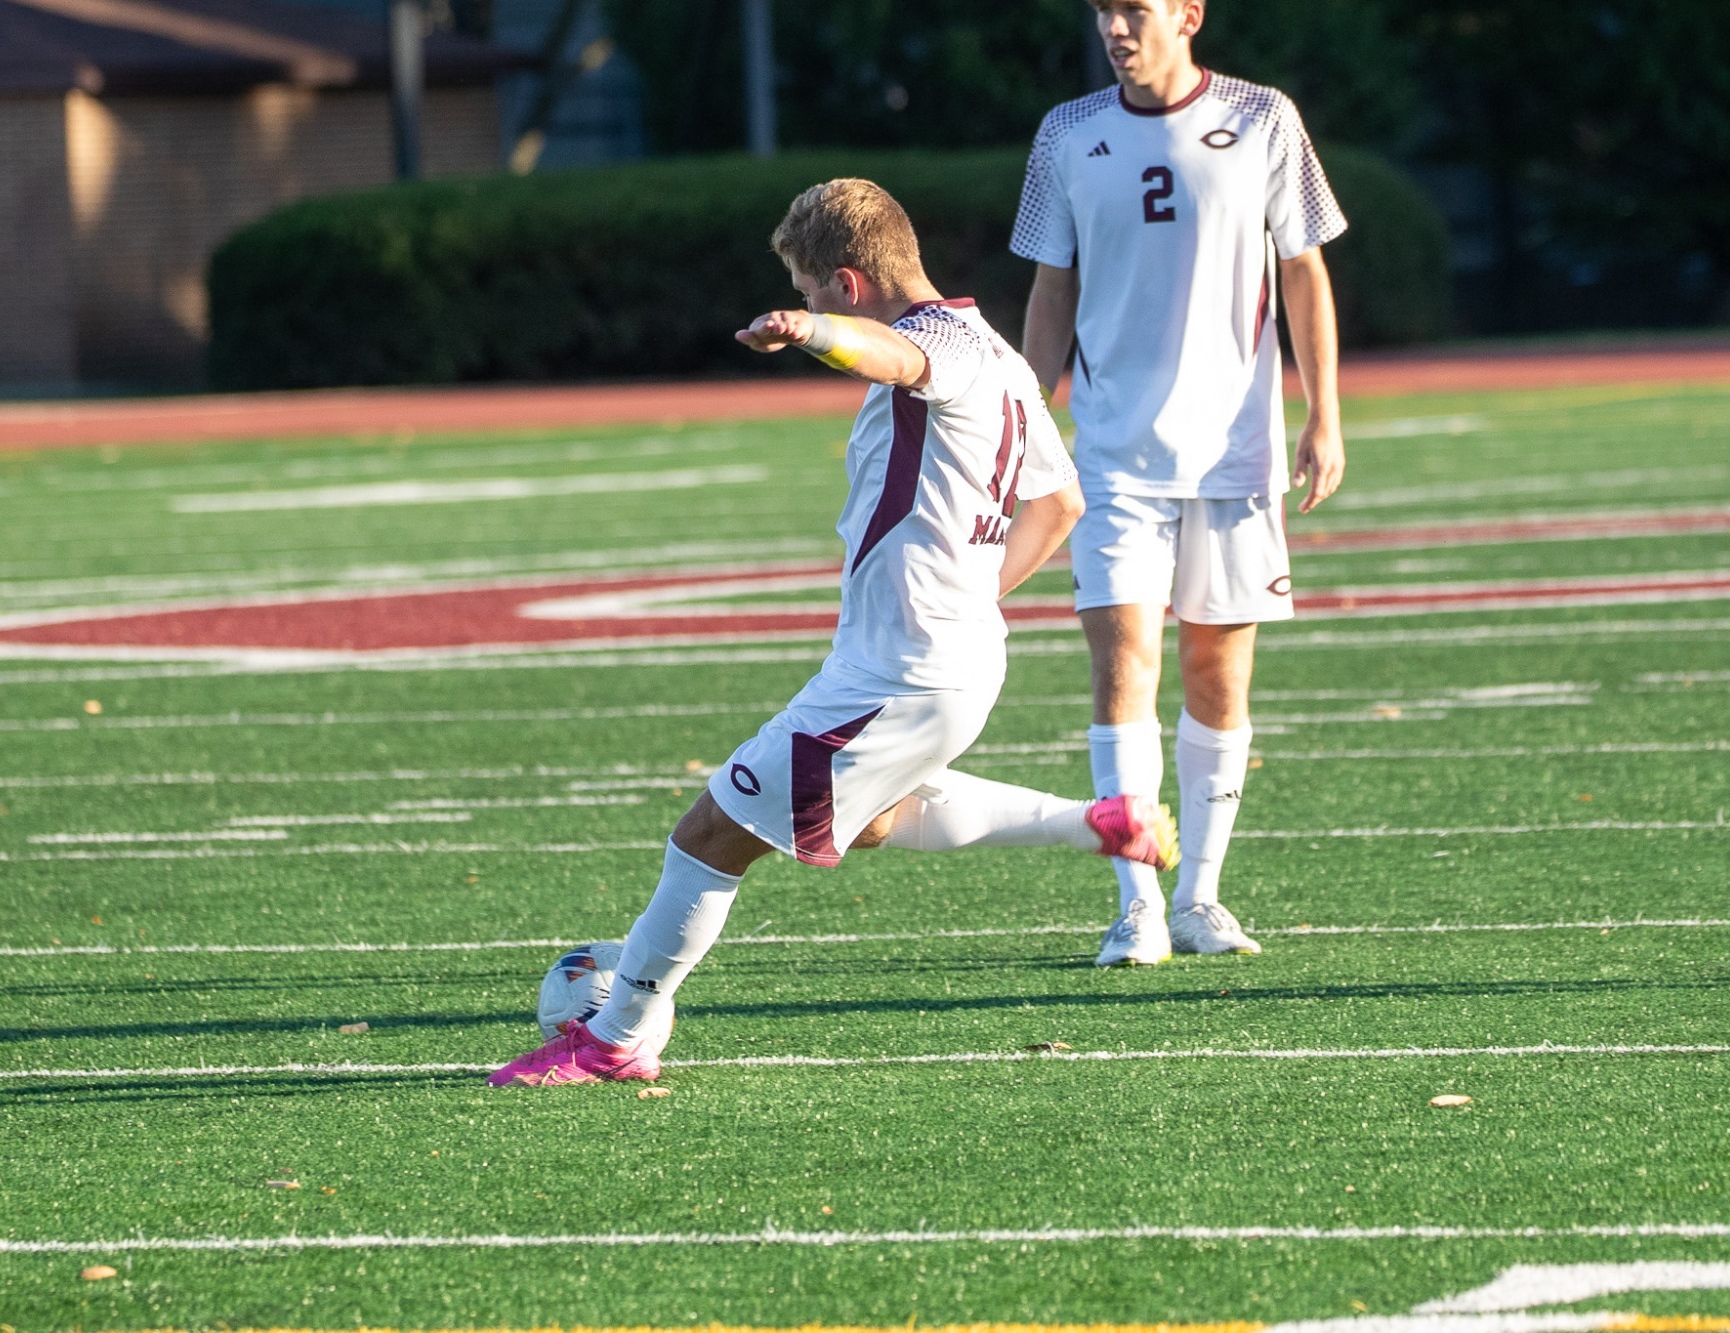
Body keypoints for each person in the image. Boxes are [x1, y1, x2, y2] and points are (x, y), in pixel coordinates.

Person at [492, 178, 1178, 1087]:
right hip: (948, 660)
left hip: (899, 669)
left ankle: (616, 1037)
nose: (813, 306)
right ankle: (1097, 822)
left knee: (709, 836)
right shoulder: (1005, 358)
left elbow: (891, 355)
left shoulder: (938, 347)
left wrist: (808, 332)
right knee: (878, 817)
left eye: (817, 291)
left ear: (849, 284)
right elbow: (1060, 505)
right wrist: (972, 593)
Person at [1014, 0, 1348, 965]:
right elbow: (1050, 286)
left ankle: (1200, 897)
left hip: (1235, 455)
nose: (1116, 26)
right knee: (1124, 669)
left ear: (1188, 15)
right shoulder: (1067, 133)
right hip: (1113, 454)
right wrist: (1033, 420)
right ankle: (1136, 905)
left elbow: (1304, 269)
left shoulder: (1263, 116)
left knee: (1217, 672)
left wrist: (1324, 412)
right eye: (1104, 10)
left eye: (1136, 8)